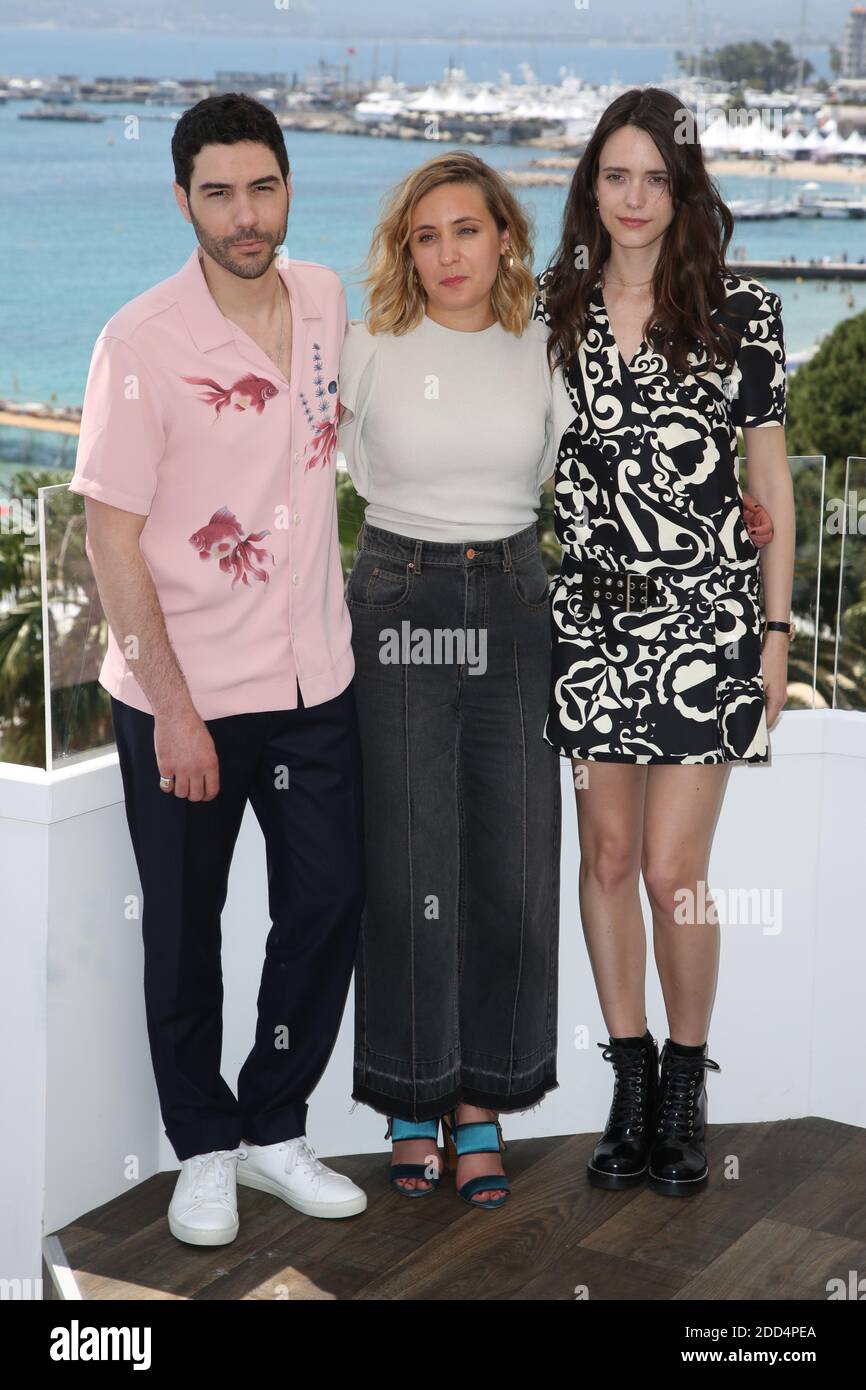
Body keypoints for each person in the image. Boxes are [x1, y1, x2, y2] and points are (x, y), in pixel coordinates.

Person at [68, 92, 367, 1246]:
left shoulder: (328, 301)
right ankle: (201, 1146)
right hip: (183, 702)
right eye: (218, 193)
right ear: (181, 198)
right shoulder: (136, 343)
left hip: (315, 685)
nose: (245, 217)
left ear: (289, 186)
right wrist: (179, 718)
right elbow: (110, 539)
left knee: (327, 903)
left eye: (263, 188)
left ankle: (273, 1125)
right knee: (184, 932)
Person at [532, 88, 795, 1197]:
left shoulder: (743, 312)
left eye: (654, 178)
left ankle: (686, 1082)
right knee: (602, 860)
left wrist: (775, 634)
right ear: (590, 186)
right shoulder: (551, 308)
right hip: (589, 626)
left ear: (681, 189)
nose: (632, 199)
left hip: (705, 621)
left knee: (671, 869)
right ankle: (628, 1080)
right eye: (614, 175)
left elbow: (771, 484)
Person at [337, 152, 574, 1208]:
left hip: (516, 601)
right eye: (424, 236)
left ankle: (481, 1098)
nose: (446, 255)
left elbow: (561, 472)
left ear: (504, 238)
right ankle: (409, 1094)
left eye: (465, 231)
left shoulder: (543, 349)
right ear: (405, 250)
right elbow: (333, 462)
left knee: (516, 865)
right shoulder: (371, 348)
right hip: (397, 596)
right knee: (409, 861)